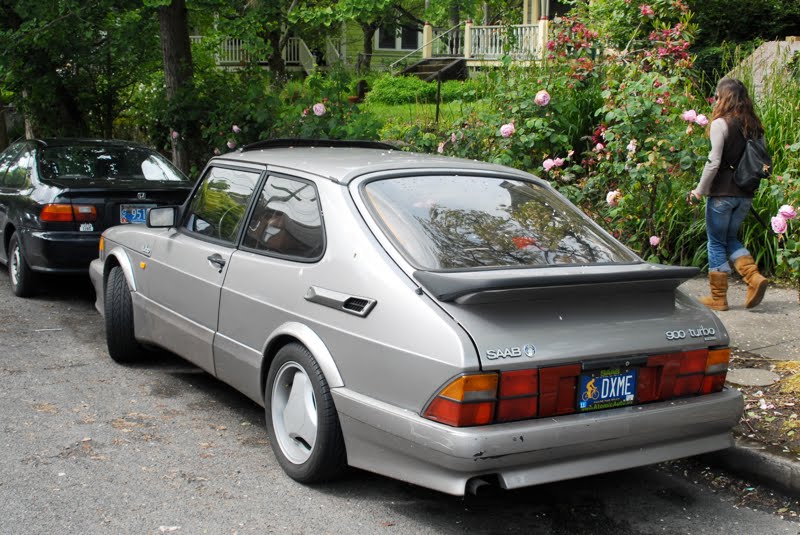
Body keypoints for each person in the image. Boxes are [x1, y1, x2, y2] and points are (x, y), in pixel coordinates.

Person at [689, 77, 768, 311]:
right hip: (744, 194)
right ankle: (753, 277)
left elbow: (713, 162)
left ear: (724, 97)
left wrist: (698, 191)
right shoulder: (754, 125)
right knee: (730, 238)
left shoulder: (720, 124)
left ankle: (719, 298)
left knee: (716, 242)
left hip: (721, 194)